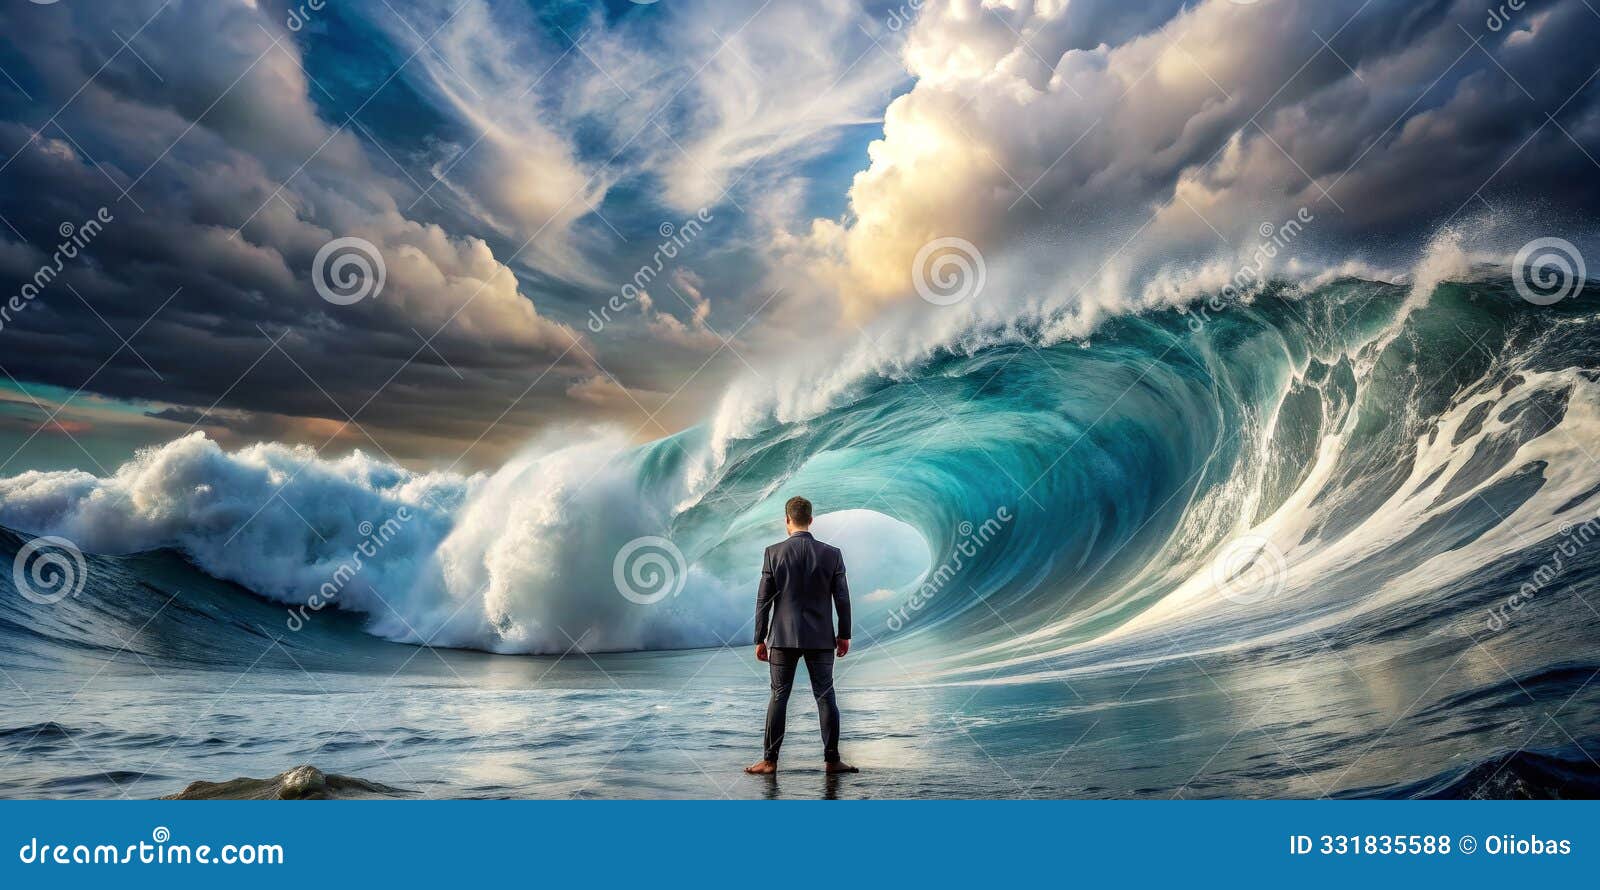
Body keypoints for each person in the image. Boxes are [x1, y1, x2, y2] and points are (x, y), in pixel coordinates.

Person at [745, 496, 857, 775]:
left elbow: (763, 600)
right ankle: (832, 760)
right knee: (825, 696)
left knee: (779, 696)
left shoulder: (773, 552)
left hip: (782, 637)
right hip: (820, 637)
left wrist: (759, 637)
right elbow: (842, 599)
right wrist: (844, 634)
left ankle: (769, 761)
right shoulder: (832, 553)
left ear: (787, 520)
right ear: (811, 519)